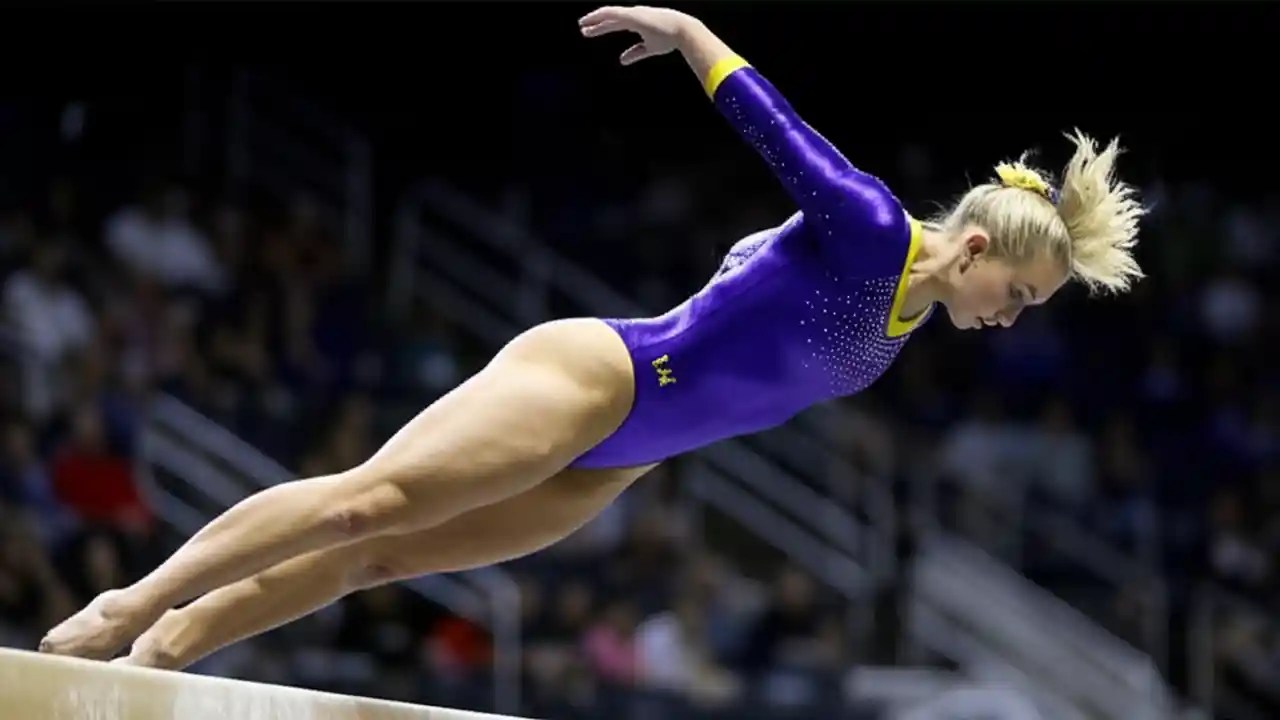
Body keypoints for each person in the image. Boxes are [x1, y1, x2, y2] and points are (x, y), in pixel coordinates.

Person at [38, 5, 1144, 668]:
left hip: (620, 461)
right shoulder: (867, 229)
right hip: (605, 377)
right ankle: (132, 602)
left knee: (378, 557)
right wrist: (686, 32)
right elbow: (775, 127)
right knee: (366, 501)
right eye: (1018, 295)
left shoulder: (905, 323)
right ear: (973, 249)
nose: (1010, 321)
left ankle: (165, 655)